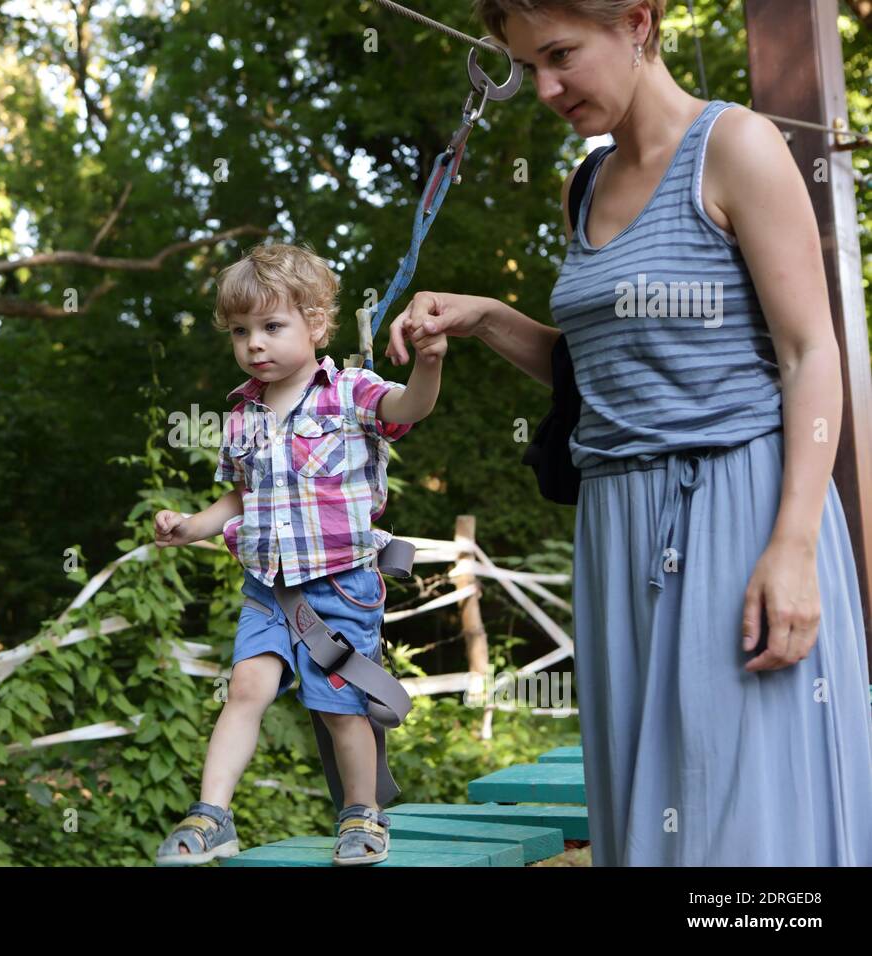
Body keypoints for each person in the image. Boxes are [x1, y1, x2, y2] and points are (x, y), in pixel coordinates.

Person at [384, 0, 872, 864]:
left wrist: (794, 543)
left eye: (561, 55)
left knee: (737, 825)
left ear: (638, 23)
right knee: (648, 819)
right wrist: (487, 319)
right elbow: (607, 375)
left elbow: (809, 355)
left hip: (741, 510)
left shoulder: (737, 147)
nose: (545, 86)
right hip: (616, 529)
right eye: (529, 65)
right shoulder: (587, 182)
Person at [151, 242, 446, 865]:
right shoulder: (242, 417)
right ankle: (212, 816)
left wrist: (429, 363)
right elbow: (239, 498)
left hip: (338, 587)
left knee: (340, 706)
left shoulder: (350, 393)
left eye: (271, 326)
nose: (254, 343)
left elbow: (410, 409)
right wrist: (190, 527)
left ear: (315, 324)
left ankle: (362, 816)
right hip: (267, 586)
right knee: (246, 690)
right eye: (241, 331)